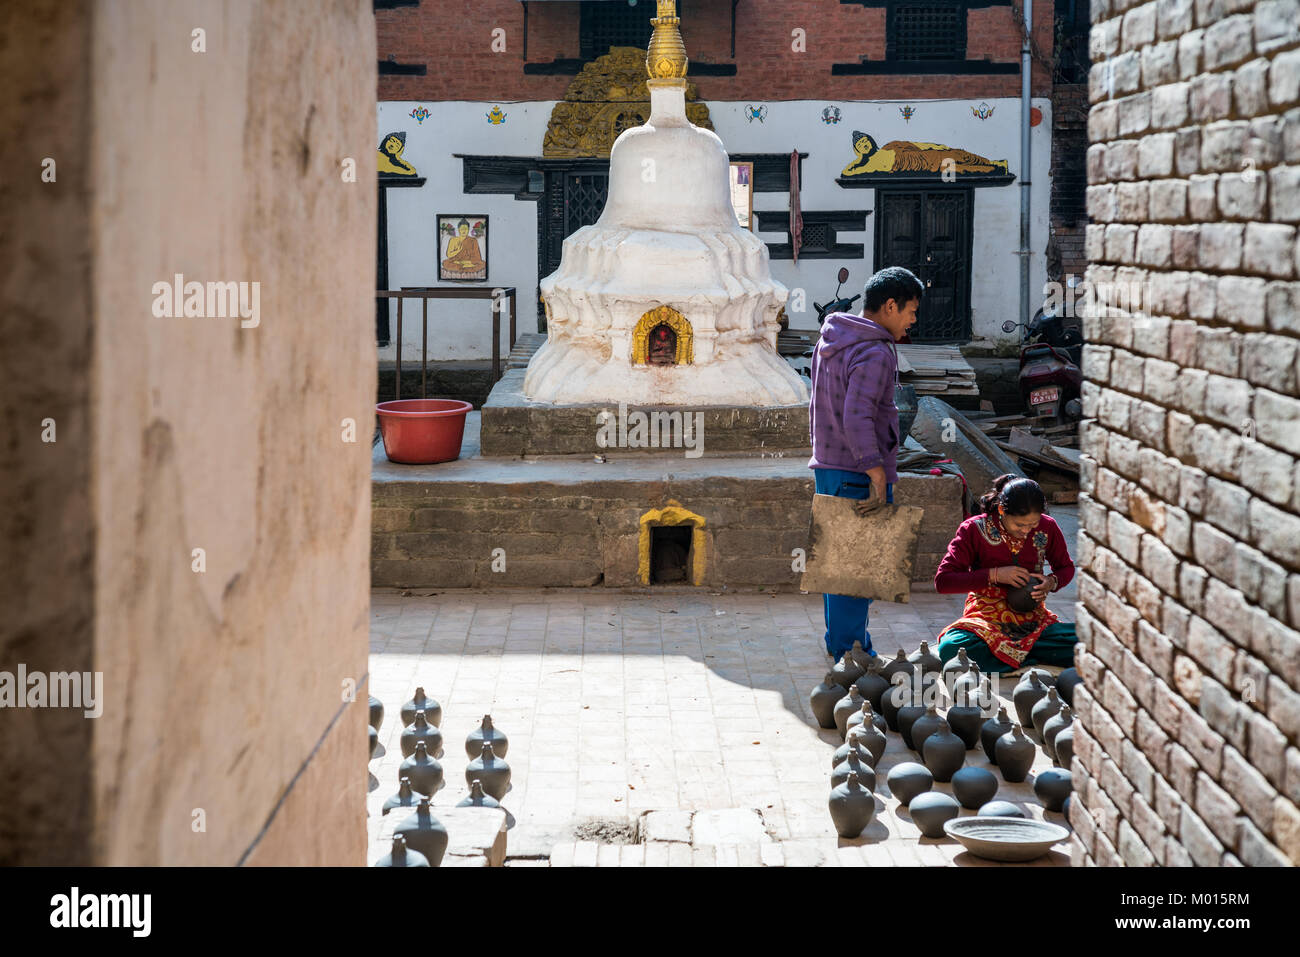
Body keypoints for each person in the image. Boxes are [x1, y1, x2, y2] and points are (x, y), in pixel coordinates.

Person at [808, 266, 923, 662]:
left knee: (837, 566)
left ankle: (840, 645)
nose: (912, 319)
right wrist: (875, 471)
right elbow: (857, 417)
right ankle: (852, 651)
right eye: (910, 311)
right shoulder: (873, 352)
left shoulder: (834, 337)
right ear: (890, 306)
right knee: (854, 570)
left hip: (828, 465)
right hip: (856, 471)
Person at [933, 474, 1077, 673]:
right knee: (952, 648)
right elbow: (943, 581)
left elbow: (1066, 568)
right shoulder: (974, 529)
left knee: (1088, 641)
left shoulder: (1048, 526)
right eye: (1019, 524)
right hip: (986, 618)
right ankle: (1031, 656)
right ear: (1001, 510)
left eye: (1032, 524)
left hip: (1032, 619)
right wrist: (994, 575)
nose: (1026, 531)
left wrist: (1051, 582)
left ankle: (1014, 657)